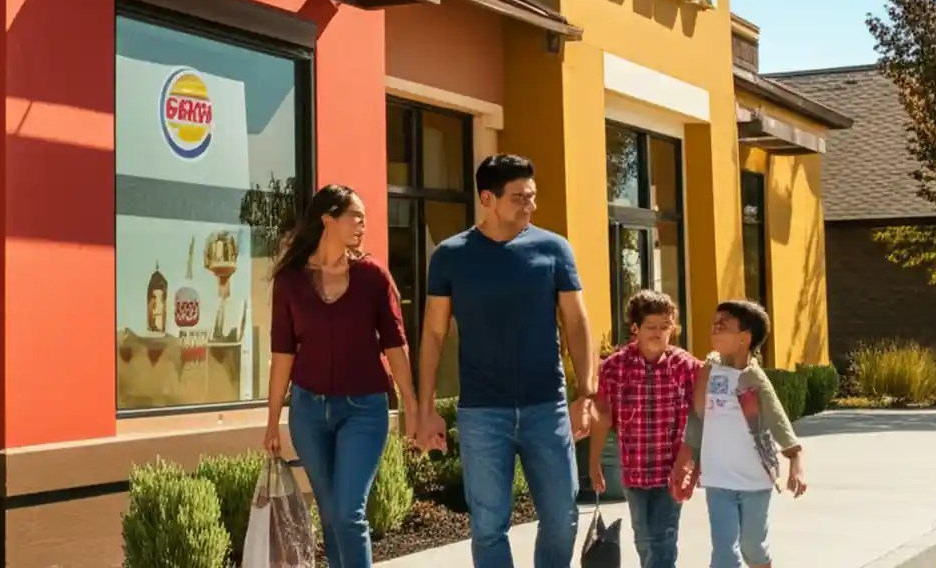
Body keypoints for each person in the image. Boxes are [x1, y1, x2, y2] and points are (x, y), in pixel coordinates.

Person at [415, 154, 597, 568]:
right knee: (487, 527)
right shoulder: (451, 255)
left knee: (563, 517)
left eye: (532, 196)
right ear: (487, 198)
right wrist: (426, 409)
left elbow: (576, 320)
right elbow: (434, 334)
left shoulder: (554, 249)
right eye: (519, 198)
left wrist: (586, 394)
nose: (530, 205)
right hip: (482, 412)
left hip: (546, 407)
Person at [263, 184, 419, 568]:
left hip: (364, 410)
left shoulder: (373, 277)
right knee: (331, 513)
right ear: (328, 219)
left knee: (349, 512)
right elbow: (282, 354)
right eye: (356, 217)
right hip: (308, 411)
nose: (363, 225)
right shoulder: (290, 281)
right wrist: (272, 421)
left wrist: (412, 406)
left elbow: (396, 345)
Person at [669, 300, 808, 568]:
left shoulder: (753, 377)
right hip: (718, 478)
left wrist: (796, 461)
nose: (714, 329)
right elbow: (697, 416)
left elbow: (777, 418)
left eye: (723, 325)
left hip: (755, 480)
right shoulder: (708, 370)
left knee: (753, 548)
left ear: (744, 338)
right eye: (714, 323)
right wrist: (686, 461)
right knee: (724, 553)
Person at [591, 290, 700, 568]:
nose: (658, 334)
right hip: (635, 469)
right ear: (635, 328)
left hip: (671, 469)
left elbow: (701, 416)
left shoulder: (686, 367)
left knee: (664, 537)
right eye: (651, 327)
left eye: (665, 327)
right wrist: (594, 462)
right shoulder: (614, 368)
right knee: (643, 538)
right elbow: (602, 416)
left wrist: (693, 463)